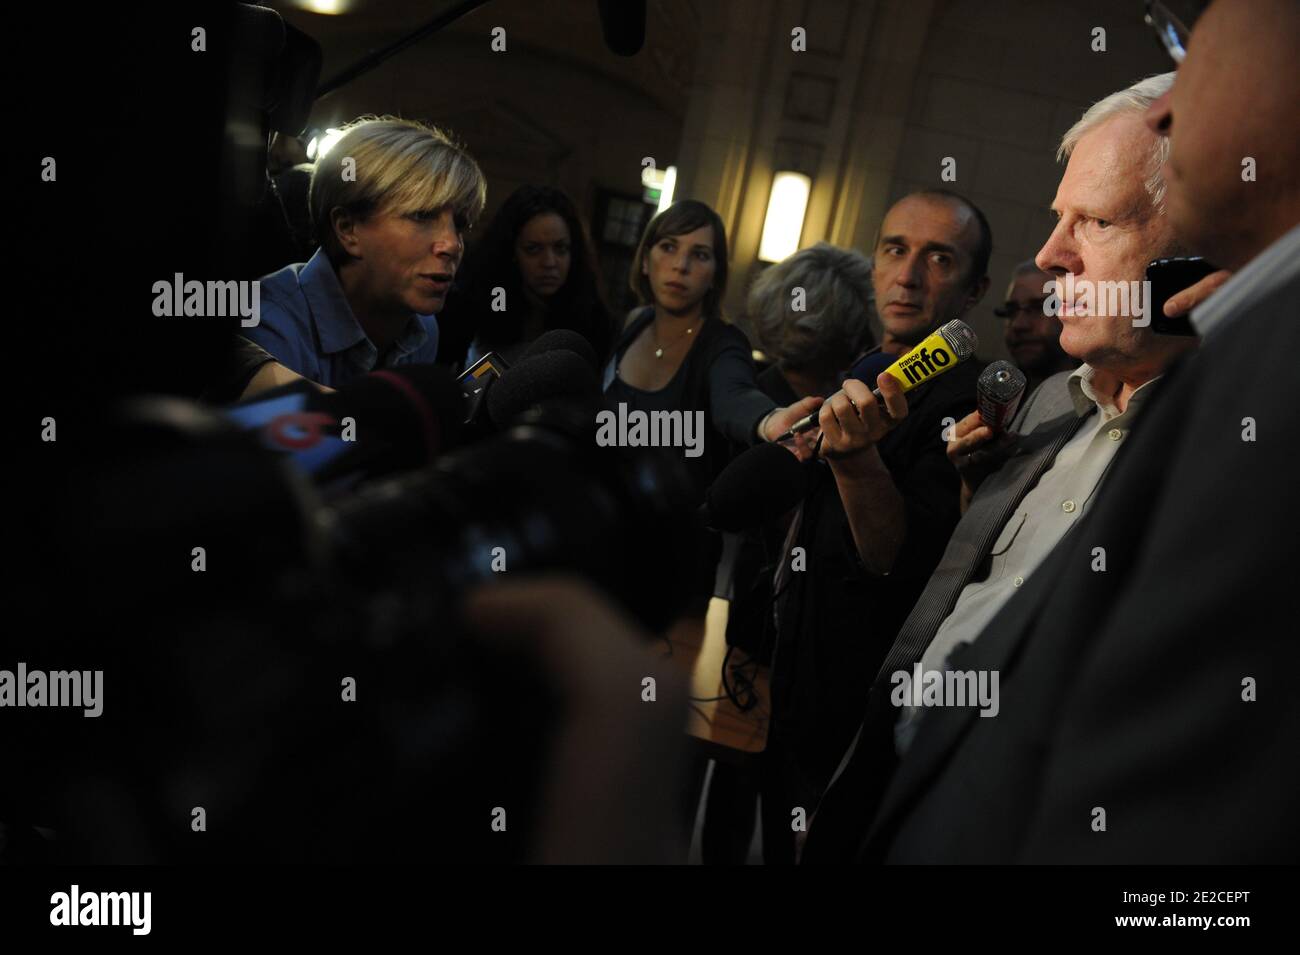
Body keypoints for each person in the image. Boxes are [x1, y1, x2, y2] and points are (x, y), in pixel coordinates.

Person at [830, 0, 1300, 864]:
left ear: (1188, 240)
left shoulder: (1243, 413)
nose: (1049, 256)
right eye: (1057, 218)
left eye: (1097, 221)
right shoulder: (1044, 405)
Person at [245, 116, 487, 389]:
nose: (453, 244)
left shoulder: (423, 328)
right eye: (422, 216)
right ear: (348, 229)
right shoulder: (268, 324)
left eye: (460, 225)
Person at [602, 200, 820, 502]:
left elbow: (735, 395)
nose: (681, 265)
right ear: (644, 260)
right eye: (668, 247)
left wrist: (769, 420)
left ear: (716, 275)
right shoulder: (630, 323)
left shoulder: (722, 343)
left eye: (700, 254)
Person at [437, 185, 616, 371]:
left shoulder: (594, 322)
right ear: (511, 252)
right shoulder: (471, 308)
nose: (549, 262)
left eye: (560, 248)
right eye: (533, 249)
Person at [995, 260, 1073, 395]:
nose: (1018, 324)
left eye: (1038, 307)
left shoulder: (1104, 406)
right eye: (1011, 310)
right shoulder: (990, 399)